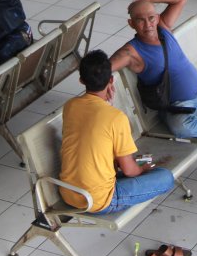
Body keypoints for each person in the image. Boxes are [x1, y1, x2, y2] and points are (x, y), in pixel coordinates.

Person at [59, 50, 176, 215]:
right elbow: (129, 171)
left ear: (81, 80)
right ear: (111, 80)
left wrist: (108, 107)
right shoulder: (116, 118)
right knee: (165, 177)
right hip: (98, 201)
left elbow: (94, 131)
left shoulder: (70, 106)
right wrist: (143, 170)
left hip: (69, 193)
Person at [109, 0, 197, 138]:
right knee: (182, 128)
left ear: (156, 18)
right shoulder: (131, 52)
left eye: (151, 18)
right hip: (180, 108)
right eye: (140, 20)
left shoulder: (163, 27)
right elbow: (102, 69)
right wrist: (106, 80)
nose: (148, 25)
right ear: (131, 24)